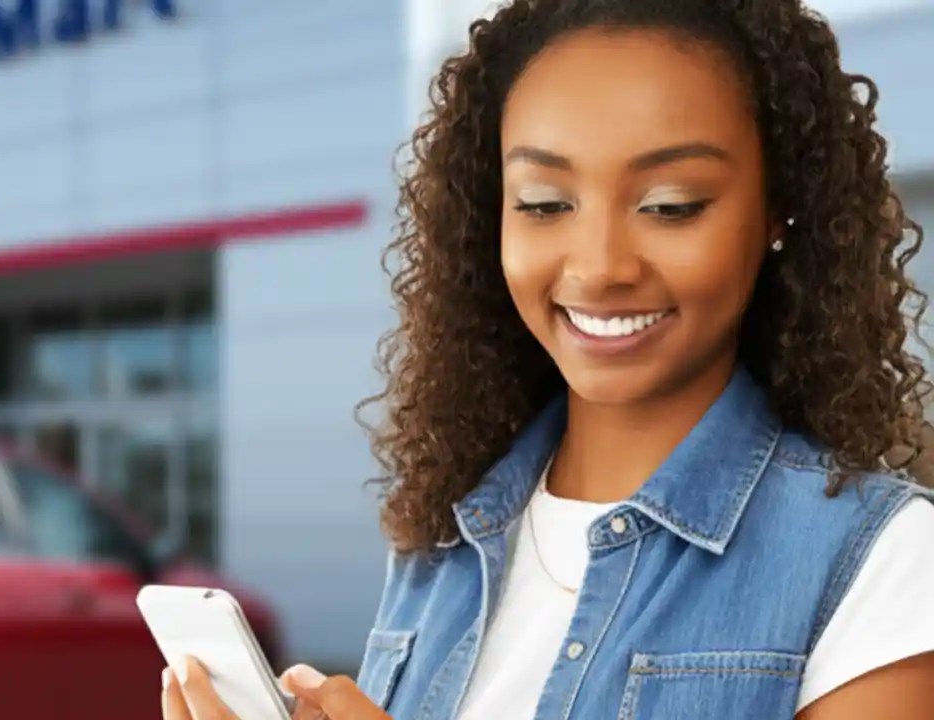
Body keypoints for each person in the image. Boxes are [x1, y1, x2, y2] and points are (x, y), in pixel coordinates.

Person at [161, 0, 934, 717]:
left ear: (778, 211)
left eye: (670, 206)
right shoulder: (443, 547)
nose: (598, 267)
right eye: (542, 204)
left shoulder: (882, 563)